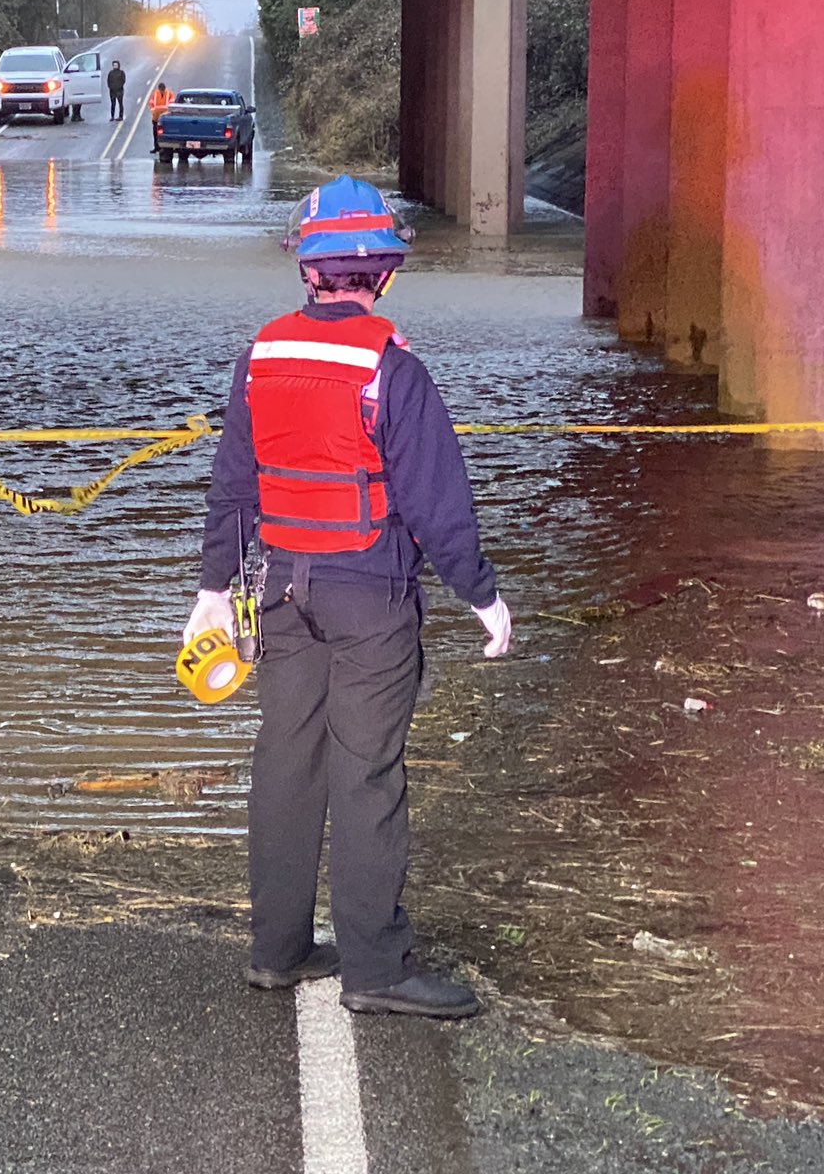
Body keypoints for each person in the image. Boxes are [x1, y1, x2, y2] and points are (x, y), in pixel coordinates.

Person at [182, 174, 512, 1020]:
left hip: (283, 590)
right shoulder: (393, 371)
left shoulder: (262, 355)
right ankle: (375, 970)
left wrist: (213, 589)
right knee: (366, 775)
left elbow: (232, 486)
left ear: (309, 271)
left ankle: (278, 950)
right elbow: (439, 502)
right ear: (386, 277)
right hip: (371, 596)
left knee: (287, 763)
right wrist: (482, 597)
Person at [149, 80, 176, 146]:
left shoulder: (170, 94)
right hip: (156, 117)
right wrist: (153, 112)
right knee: (155, 133)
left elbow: (172, 104)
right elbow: (151, 103)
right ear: (159, 89)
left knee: (163, 134)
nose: (162, 91)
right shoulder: (155, 94)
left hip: (165, 118)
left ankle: (163, 147)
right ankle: (156, 147)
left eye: (162, 90)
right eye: (161, 90)